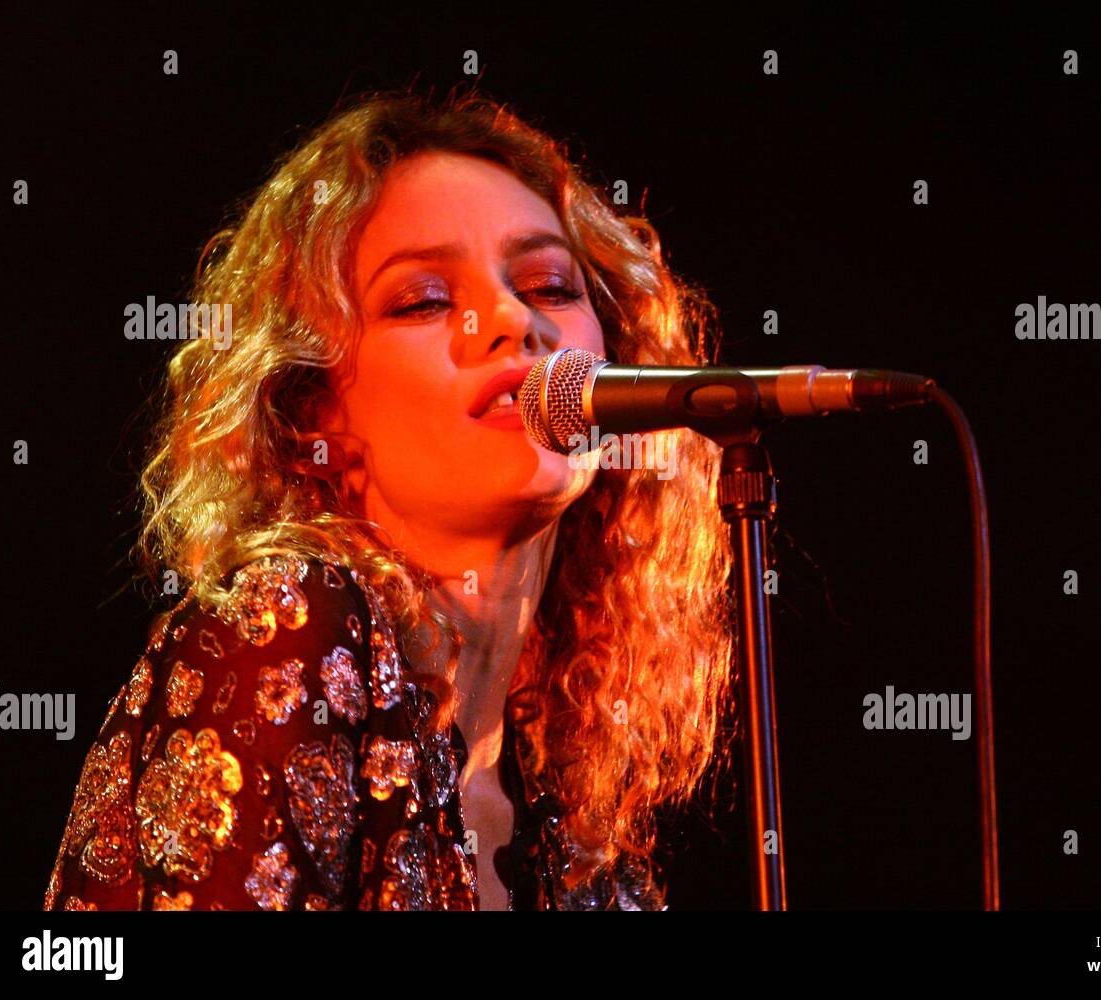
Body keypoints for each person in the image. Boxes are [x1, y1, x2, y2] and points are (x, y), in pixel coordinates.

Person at [44, 86, 736, 911]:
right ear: (309, 412)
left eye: (551, 286)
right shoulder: (286, 634)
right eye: (424, 300)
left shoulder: (575, 842)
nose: (513, 321)